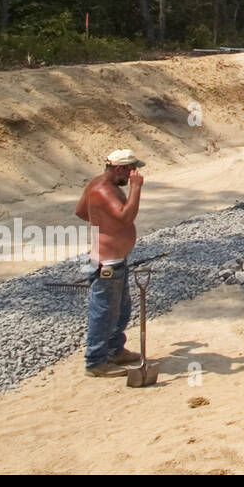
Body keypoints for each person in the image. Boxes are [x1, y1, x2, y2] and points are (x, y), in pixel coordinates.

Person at [73, 149, 145, 376]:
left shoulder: (102, 185)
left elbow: (81, 211)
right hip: (107, 264)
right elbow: (125, 217)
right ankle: (95, 362)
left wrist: (102, 222)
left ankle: (115, 350)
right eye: (132, 169)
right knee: (104, 312)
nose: (135, 173)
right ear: (120, 169)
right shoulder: (103, 189)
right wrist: (136, 188)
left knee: (121, 309)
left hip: (115, 261)